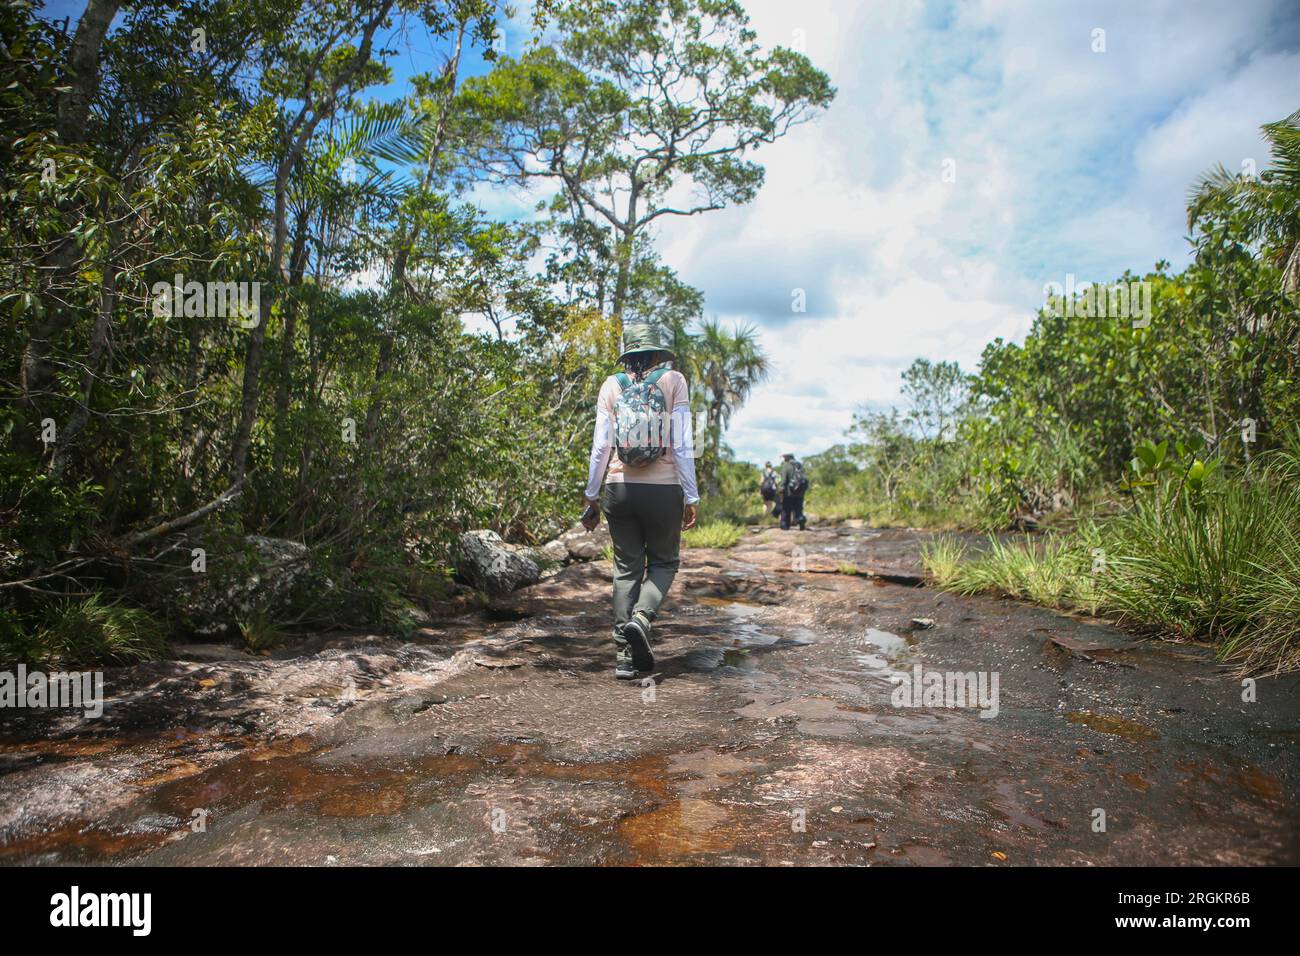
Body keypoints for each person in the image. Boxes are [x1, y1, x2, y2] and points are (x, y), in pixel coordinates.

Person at [581, 323, 699, 680]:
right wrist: (691, 495)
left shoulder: (611, 385)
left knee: (626, 569)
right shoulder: (674, 380)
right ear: (657, 353)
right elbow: (683, 444)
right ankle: (642, 619)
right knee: (664, 562)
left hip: (619, 489)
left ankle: (623, 656)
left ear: (628, 354)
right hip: (663, 489)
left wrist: (591, 495)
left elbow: (601, 446)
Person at [778, 452, 808, 531]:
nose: (784, 459)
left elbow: (784, 480)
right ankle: (801, 519)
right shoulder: (800, 465)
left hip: (789, 492)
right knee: (798, 509)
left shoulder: (786, 466)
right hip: (800, 492)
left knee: (786, 509)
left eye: (784, 457)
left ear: (788, 457)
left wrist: (781, 490)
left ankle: (785, 525)